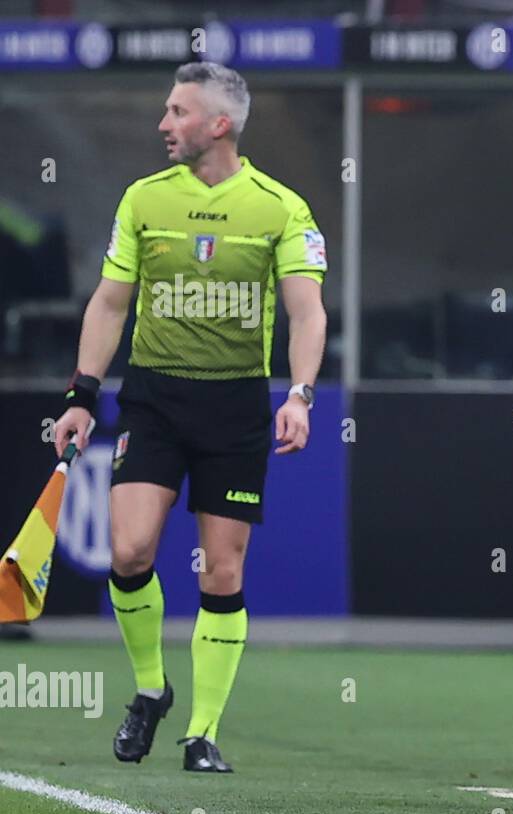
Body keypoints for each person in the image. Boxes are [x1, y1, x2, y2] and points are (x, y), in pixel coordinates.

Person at [51, 63, 328, 772]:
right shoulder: (144, 199)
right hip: (153, 397)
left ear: (219, 125)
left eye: (177, 111)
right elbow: (110, 304)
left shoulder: (280, 207)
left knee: (222, 573)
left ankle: (202, 734)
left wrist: (300, 393)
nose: (163, 123)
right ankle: (151, 690)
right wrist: (83, 396)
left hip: (235, 405)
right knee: (129, 551)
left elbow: (306, 310)